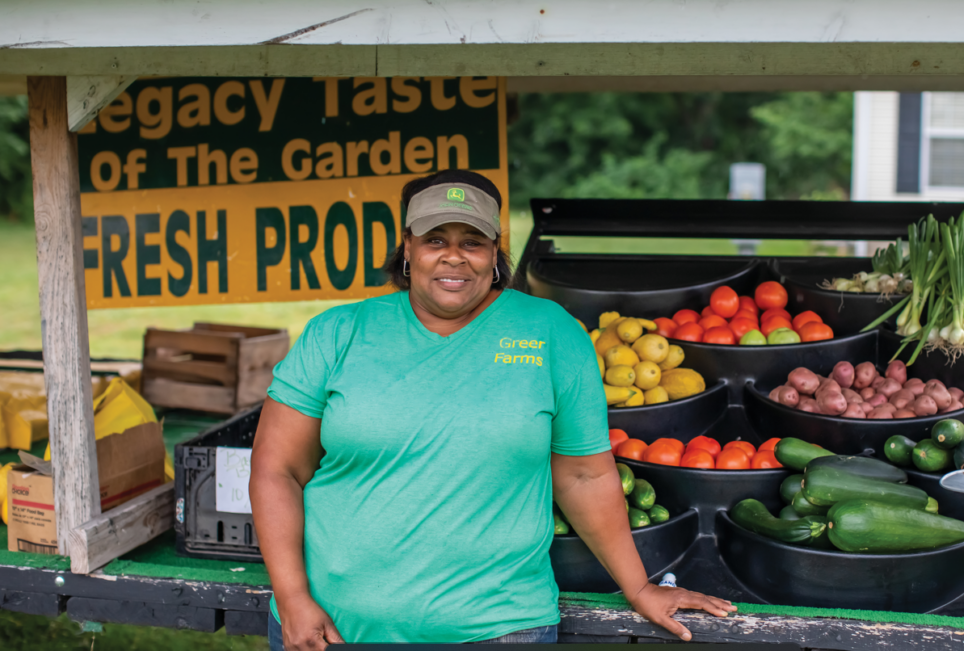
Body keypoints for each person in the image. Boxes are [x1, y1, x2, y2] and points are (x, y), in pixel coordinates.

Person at [250, 170, 735, 649]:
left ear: (496, 251)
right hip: (336, 628)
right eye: (435, 239)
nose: (454, 256)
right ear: (408, 247)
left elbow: (585, 475)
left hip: (501, 628)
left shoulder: (551, 333)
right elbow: (277, 470)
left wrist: (640, 586)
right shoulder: (336, 333)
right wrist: (292, 596)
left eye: (473, 241)